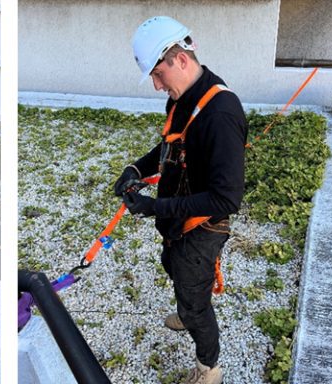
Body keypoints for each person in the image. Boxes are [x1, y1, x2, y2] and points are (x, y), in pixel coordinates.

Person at [113, 16, 247, 384]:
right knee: (172, 265)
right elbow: (170, 143)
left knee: (194, 297)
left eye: (158, 74)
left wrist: (156, 206)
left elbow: (226, 198)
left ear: (181, 60)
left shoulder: (220, 113)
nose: (156, 86)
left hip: (202, 226)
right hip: (177, 220)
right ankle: (188, 309)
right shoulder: (185, 98)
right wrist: (135, 170)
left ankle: (209, 368)